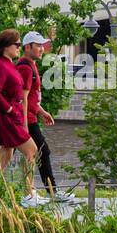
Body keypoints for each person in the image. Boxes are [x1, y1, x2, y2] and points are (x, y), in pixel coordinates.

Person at [0, 28, 44, 206]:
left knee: (6, 155)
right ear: (6, 46)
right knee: (31, 150)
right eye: (17, 44)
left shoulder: (8, 63)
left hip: (10, 115)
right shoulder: (0, 66)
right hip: (6, 117)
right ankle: (29, 194)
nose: (19, 47)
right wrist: (10, 109)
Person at [17, 32, 74, 203]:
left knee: (7, 153)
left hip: (30, 117)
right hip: (25, 119)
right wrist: (25, 125)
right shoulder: (25, 67)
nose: (42, 49)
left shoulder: (31, 65)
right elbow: (23, 98)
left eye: (43, 45)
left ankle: (35, 193)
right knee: (40, 151)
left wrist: (41, 111)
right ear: (28, 47)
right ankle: (43, 193)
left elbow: (33, 97)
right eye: (38, 45)